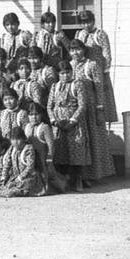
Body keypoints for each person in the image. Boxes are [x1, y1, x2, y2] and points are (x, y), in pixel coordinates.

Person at [69, 33, 116, 185]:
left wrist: (100, 108)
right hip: (76, 108)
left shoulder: (92, 65)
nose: (75, 53)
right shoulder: (70, 65)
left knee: (94, 139)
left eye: (77, 49)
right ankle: (80, 176)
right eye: (72, 50)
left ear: (83, 49)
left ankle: (95, 175)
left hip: (91, 106)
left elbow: (99, 87)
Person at [48, 61, 89, 192]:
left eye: (67, 72)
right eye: (62, 73)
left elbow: (82, 105)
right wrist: (54, 120)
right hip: (58, 124)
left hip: (74, 124)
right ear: (58, 74)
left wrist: (73, 120)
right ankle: (62, 180)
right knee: (60, 151)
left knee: (76, 149)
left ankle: (78, 180)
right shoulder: (55, 87)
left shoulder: (77, 85)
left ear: (71, 72)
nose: (65, 76)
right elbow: (50, 106)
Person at [0, 127, 43, 197]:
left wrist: (19, 178)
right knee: (0, 186)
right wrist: (4, 177)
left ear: (24, 139)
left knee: (17, 188)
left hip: (28, 177)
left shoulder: (28, 148)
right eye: (13, 139)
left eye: (18, 139)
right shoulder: (12, 148)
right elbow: (7, 163)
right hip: (16, 177)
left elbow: (30, 167)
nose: (15, 142)